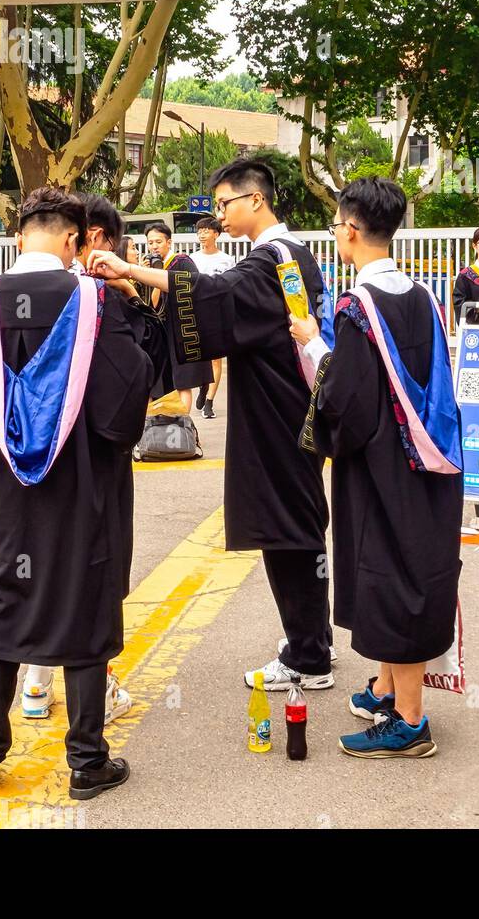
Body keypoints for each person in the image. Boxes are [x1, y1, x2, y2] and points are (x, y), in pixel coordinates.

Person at [89, 158, 336, 695]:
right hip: (292, 403)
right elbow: (215, 290)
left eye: (224, 203)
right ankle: (312, 639)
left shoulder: (273, 258)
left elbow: (212, 296)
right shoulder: (288, 255)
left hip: (278, 411)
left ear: (256, 200)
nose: (218, 213)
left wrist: (131, 272)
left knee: (288, 528)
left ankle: (308, 656)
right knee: (297, 521)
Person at [0, 188, 155, 801]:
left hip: (9, 493)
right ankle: (87, 762)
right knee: (85, 604)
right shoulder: (91, 302)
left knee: (3, 603)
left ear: (20, 235)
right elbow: (126, 397)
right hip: (83, 487)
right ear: (73, 238)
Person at [291, 177, 463, 760]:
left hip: (384, 465)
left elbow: (346, 403)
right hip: (429, 461)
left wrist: (314, 346)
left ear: (350, 229)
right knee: (411, 567)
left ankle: (411, 722)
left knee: (390, 572)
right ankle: (389, 689)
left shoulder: (357, 307)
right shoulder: (423, 297)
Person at [18, 193, 168, 729]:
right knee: (91, 580)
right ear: (89, 241)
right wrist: (130, 298)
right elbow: (139, 384)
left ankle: (35, 687)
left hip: (19, 472)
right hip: (90, 469)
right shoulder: (94, 302)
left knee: (33, 572)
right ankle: (95, 698)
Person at [142, 221, 212, 411]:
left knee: (183, 382)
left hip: (183, 331)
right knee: (167, 383)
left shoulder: (182, 262)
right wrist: (152, 275)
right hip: (165, 334)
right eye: (150, 243)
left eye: (158, 241)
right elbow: (154, 305)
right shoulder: (151, 268)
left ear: (169, 242)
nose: (154, 246)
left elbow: (197, 289)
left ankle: (184, 429)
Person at [190, 215, 234, 420]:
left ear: (216, 234)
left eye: (206, 230)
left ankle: (209, 401)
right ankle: (203, 384)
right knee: (201, 358)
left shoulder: (226, 260)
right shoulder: (193, 259)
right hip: (196, 313)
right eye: (199, 231)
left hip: (216, 313)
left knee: (216, 359)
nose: (202, 234)